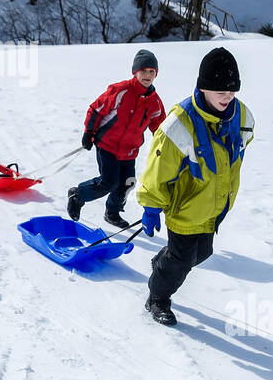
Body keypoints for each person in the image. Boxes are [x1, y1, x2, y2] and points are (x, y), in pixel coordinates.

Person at [136, 47, 255, 326]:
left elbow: (241, 145)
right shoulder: (179, 124)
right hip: (185, 208)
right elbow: (158, 170)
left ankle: (163, 264)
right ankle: (157, 297)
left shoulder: (241, 117)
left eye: (232, 91)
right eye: (220, 92)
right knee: (181, 260)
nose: (227, 97)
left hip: (213, 206)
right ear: (203, 89)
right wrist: (151, 206)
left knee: (202, 253)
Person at [68, 49, 166, 230]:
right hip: (108, 145)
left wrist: (167, 149)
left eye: (151, 72)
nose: (147, 75)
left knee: (127, 183)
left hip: (130, 150)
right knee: (108, 182)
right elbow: (96, 110)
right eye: (143, 71)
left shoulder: (155, 102)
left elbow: (160, 128)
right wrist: (88, 133)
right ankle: (77, 195)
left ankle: (112, 212)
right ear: (135, 72)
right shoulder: (120, 91)